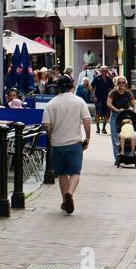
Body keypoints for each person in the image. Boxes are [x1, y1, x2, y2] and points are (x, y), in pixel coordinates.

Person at [43, 74, 92, 214]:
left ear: (58, 88)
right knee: (75, 172)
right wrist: (87, 138)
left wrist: (51, 135)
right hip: (74, 143)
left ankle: (65, 200)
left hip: (57, 144)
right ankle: (70, 193)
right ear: (71, 86)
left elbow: (46, 125)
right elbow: (87, 121)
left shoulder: (50, 104)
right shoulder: (79, 101)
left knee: (62, 173)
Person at [106, 75, 136, 159]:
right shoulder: (113, 93)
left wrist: (135, 110)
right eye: (119, 83)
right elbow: (108, 103)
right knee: (115, 137)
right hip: (115, 116)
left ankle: (129, 153)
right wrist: (117, 110)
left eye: (123, 82)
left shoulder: (128, 93)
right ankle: (117, 157)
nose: (121, 84)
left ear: (125, 83)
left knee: (129, 134)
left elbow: (134, 103)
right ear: (116, 84)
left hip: (125, 116)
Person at [91, 66, 114, 135]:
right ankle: (97, 127)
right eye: (104, 71)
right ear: (101, 71)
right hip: (98, 98)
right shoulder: (97, 78)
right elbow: (92, 87)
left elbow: (111, 88)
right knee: (98, 113)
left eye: (106, 71)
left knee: (107, 113)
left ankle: (103, 128)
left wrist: (111, 97)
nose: (105, 72)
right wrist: (93, 96)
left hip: (106, 98)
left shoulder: (109, 79)